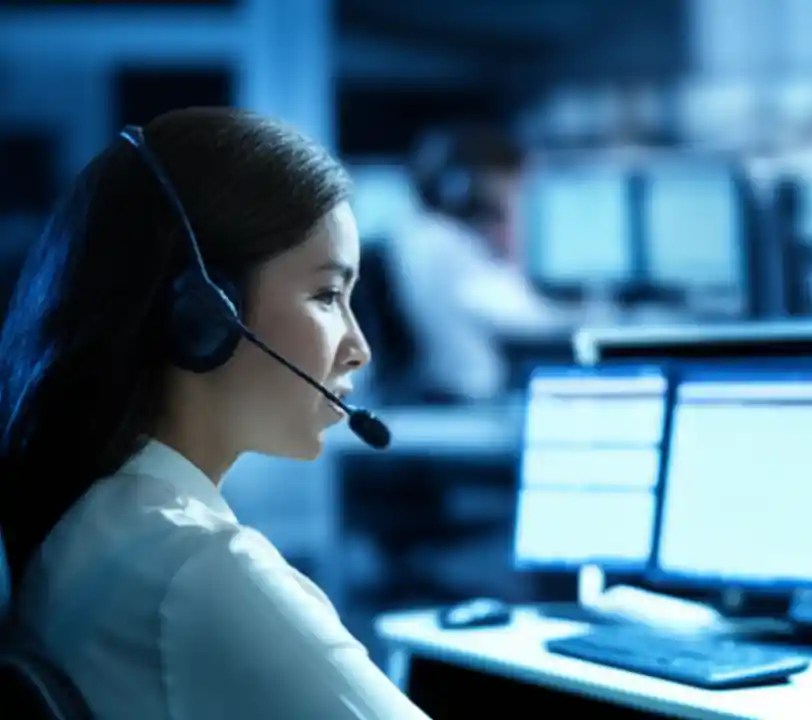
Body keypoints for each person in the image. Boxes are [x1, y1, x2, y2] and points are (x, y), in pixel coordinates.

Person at [0, 108, 429, 718]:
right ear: (204, 314)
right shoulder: (202, 572)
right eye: (327, 295)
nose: (359, 347)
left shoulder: (96, 524)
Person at [385, 125, 571, 403]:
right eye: (509, 187)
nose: (511, 198)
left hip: (450, 394)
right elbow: (531, 321)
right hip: (473, 399)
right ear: (463, 186)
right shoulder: (446, 244)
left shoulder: (420, 234)